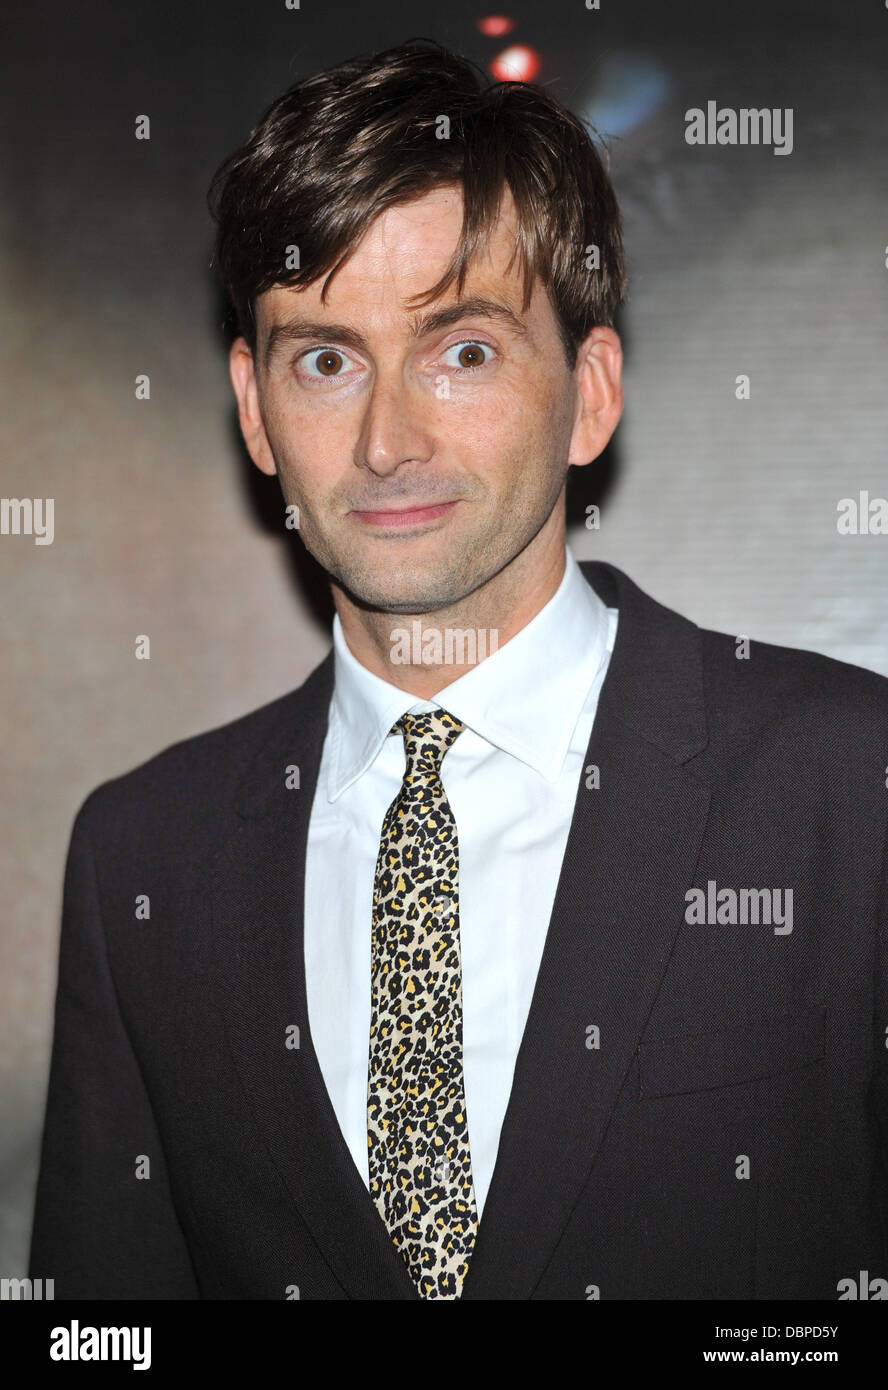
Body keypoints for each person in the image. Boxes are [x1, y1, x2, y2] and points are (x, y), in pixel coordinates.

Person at [29, 38, 888, 1301]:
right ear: (256, 412)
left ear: (589, 393)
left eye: (462, 350)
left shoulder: (845, 783)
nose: (387, 440)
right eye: (326, 359)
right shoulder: (141, 860)